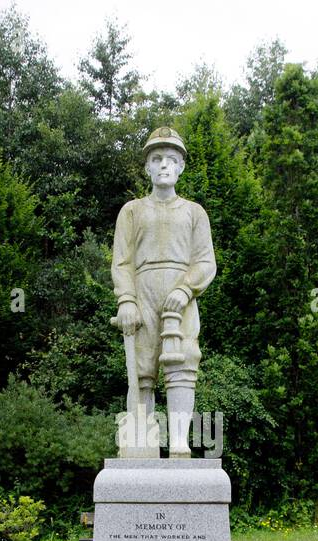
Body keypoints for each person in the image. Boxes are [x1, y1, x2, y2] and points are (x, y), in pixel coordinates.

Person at [111, 127, 216, 458]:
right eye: (157, 159)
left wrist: (186, 289)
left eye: (171, 159)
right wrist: (126, 300)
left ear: (181, 167)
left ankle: (180, 443)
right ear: (148, 168)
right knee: (143, 370)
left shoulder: (194, 212)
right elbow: (122, 262)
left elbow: (205, 262)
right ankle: (143, 444)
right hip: (143, 294)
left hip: (180, 302)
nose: (164, 166)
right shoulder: (132, 211)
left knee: (182, 363)